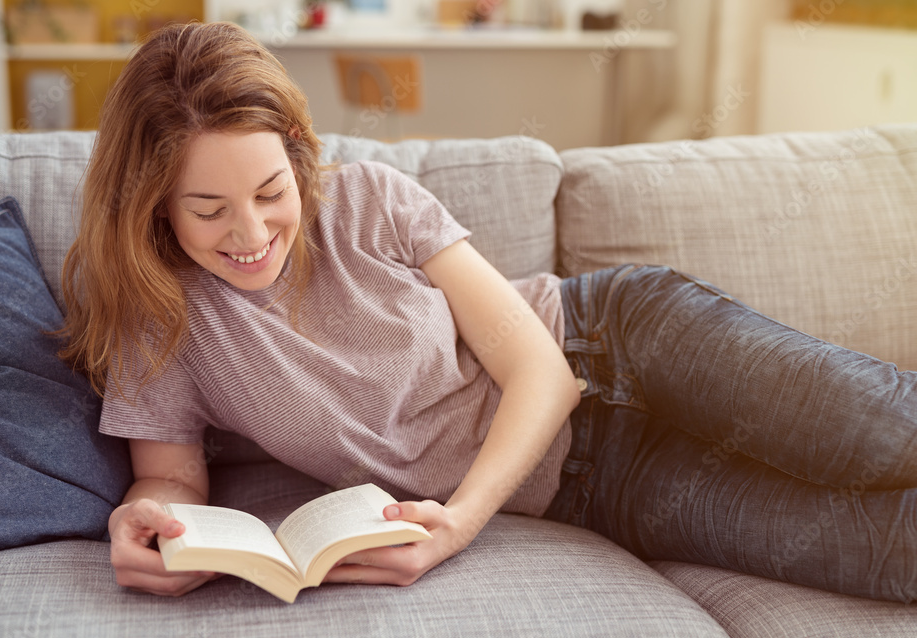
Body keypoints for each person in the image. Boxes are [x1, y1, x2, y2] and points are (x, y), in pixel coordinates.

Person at [60, 21, 916, 603]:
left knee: (888, 434)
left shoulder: (367, 201)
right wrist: (145, 520)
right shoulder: (155, 317)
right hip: (597, 485)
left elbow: (541, 368)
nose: (250, 233)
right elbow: (172, 477)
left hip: (620, 342)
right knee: (890, 556)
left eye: (271, 191)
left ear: (297, 159)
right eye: (207, 209)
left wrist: (457, 525)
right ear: (152, 205)